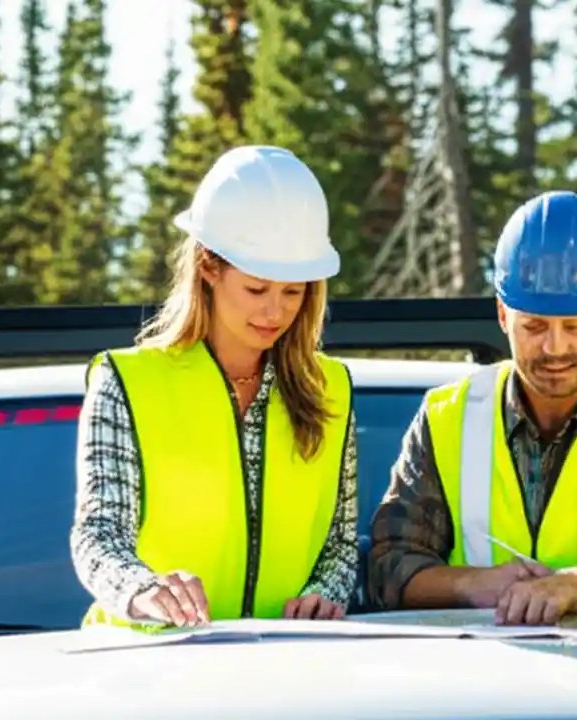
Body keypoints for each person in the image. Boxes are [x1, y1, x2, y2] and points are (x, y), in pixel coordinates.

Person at [367, 190, 577, 626]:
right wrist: (475, 586)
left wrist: (567, 588)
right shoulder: (445, 417)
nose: (555, 348)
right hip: (465, 676)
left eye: (574, 327)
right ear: (501, 315)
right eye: (533, 326)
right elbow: (389, 568)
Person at [70, 146, 359, 628]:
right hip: (148, 672)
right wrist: (143, 589)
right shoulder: (126, 382)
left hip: (286, 674)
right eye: (256, 289)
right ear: (208, 266)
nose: (275, 312)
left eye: (293, 292)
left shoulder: (331, 387)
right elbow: (98, 535)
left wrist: (324, 593)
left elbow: (339, 543)